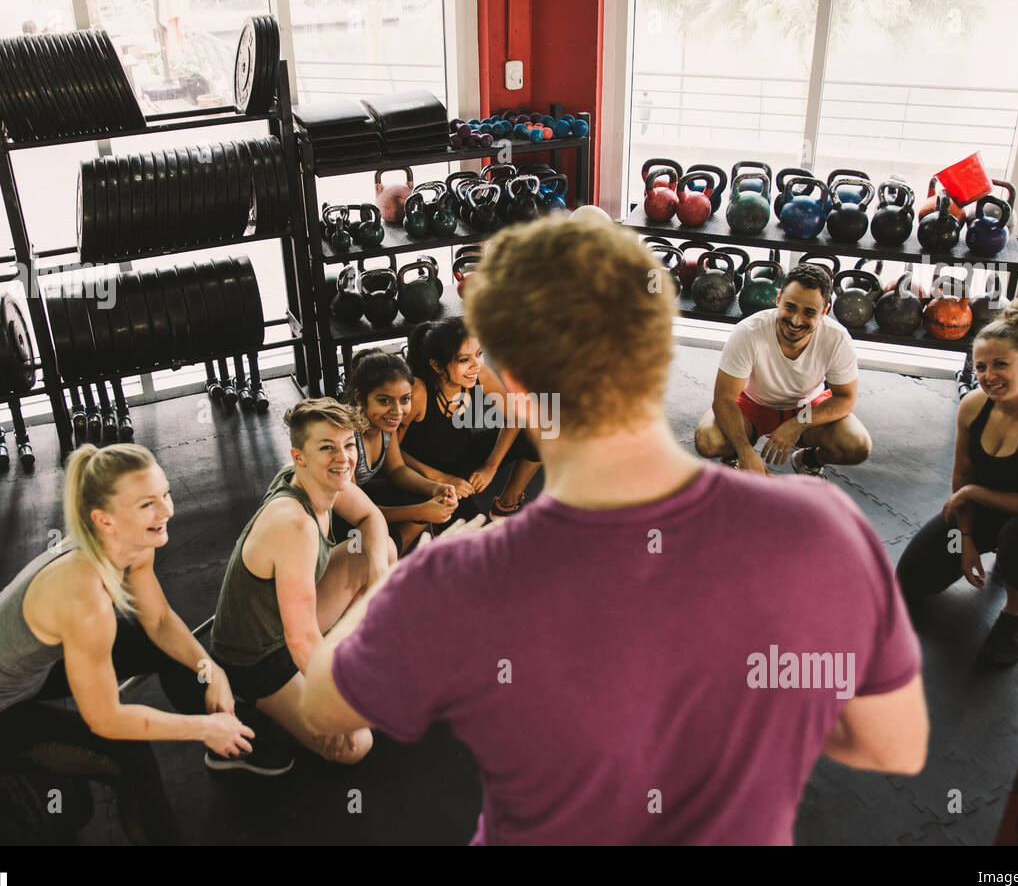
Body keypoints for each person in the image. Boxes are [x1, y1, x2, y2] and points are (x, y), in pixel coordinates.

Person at [297, 213, 929, 845]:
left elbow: (321, 705)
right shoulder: (823, 527)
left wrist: (397, 583)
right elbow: (893, 740)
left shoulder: (459, 573)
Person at [0, 443, 257, 845]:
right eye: (147, 504)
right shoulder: (84, 596)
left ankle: (233, 737)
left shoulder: (133, 543)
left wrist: (213, 673)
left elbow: (158, 621)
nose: (167, 511)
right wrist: (200, 729)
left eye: (166, 494)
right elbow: (105, 719)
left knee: (163, 647)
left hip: (30, 671)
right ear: (104, 520)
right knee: (126, 760)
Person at [896, 300, 1018, 666]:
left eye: (1001, 364)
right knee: (910, 581)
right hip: (985, 514)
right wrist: (965, 540)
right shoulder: (973, 406)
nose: (988, 375)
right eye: (981, 366)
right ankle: (991, 547)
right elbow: (962, 479)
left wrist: (972, 493)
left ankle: (1014, 616)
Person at [209, 398, 397, 765]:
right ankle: (258, 705)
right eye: (327, 448)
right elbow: (300, 639)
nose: (343, 458)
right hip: (258, 657)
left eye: (347, 445)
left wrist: (378, 583)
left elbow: (371, 518)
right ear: (299, 456)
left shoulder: (325, 477)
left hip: (289, 623)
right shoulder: (294, 524)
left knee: (382, 550)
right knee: (356, 746)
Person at [695, 262, 871, 476]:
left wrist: (797, 425)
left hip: (806, 408)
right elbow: (724, 398)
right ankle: (734, 456)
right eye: (790, 307)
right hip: (754, 404)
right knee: (708, 441)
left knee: (857, 445)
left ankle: (809, 459)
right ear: (778, 299)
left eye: (809, 312)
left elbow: (846, 398)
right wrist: (745, 451)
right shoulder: (749, 332)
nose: (796, 320)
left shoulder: (837, 339)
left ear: (825, 311)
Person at [400, 317, 543, 520]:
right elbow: (391, 452)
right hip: (428, 476)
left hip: (463, 456)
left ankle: (507, 505)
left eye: (479, 354)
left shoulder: (480, 375)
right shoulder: (417, 392)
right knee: (475, 538)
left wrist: (490, 466)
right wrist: (440, 479)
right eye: (464, 360)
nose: (476, 364)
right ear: (437, 366)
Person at [339, 348, 458, 554]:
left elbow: (397, 470)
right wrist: (421, 511)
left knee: (419, 497)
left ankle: (393, 555)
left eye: (405, 399)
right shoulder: (345, 438)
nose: (397, 411)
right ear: (360, 397)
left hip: (359, 501)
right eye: (384, 401)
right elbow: (356, 513)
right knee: (386, 530)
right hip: (330, 517)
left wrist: (436, 488)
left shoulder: (384, 423)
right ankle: (386, 560)